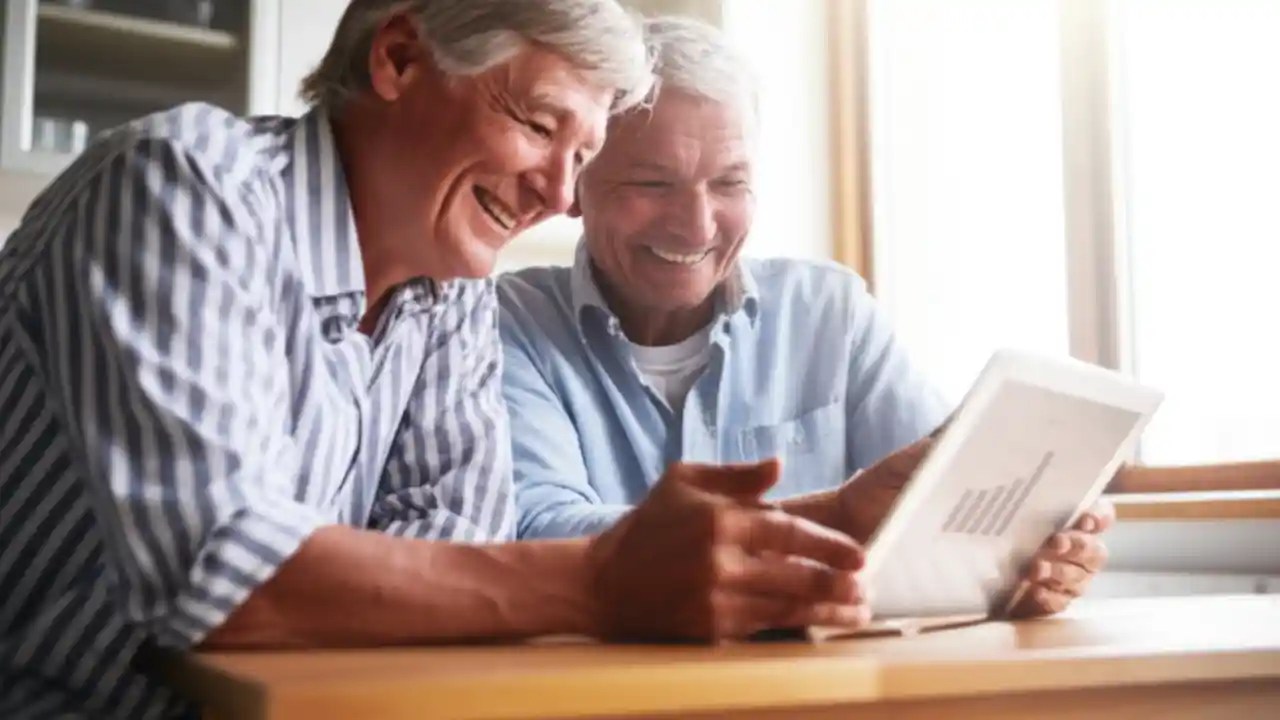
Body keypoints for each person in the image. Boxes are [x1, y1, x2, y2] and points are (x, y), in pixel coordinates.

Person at [0, 3, 871, 717]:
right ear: (401, 55)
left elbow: (456, 545)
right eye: (538, 124)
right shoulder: (184, 187)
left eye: (584, 157)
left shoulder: (447, 282)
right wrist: (603, 581)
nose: (560, 197)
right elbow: (225, 576)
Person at [499, 15, 1113, 619]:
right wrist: (832, 515)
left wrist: (1016, 569)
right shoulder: (508, 324)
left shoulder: (830, 314)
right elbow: (538, 532)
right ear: (577, 181)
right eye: (653, 184)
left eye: (729, 183)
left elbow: (937, 509)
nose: (697, 224)